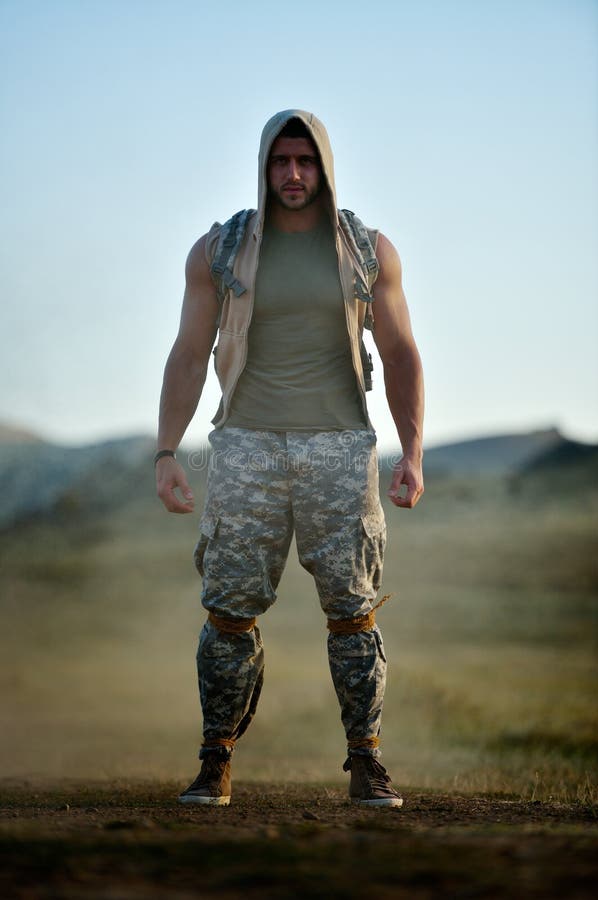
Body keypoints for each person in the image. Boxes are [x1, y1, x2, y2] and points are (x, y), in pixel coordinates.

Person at [156, 109, 424, 808]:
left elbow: (400, 352)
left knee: (353, 611)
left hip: (340, 444)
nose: (294, 174)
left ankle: (366, 762)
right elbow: (189, 353)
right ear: (264, 167)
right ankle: (215, 761)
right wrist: (166, 451)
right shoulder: (220, 249)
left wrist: (412, 451)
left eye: (306, 161)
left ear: (324, 167)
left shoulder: (367, 251)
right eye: (281, 162)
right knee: (228, 611)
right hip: (245, 444)